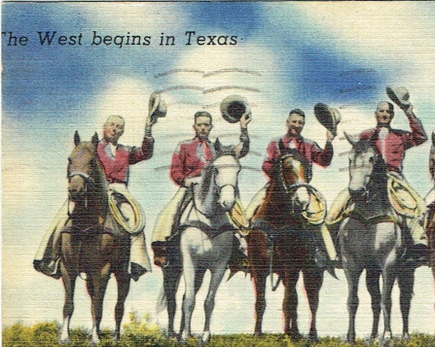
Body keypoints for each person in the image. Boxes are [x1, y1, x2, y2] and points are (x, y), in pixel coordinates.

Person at [34, 114, 155, 281]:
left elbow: (145, 153)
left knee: (134, 220)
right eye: (112, 125)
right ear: (104, 127)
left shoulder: (126, 151)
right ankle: (50, 257)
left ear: (122, 131)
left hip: (119, 191)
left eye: (119, 127)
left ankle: (136, 261)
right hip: (94, 191)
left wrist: (148, 130)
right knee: (63, 216)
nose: (114, 129)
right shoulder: (94, 147)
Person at [327, 91, 429, 265]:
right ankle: (332, 250)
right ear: (376, 114)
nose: (384, 114)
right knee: (337, 208)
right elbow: (357, 152)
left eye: (388, 112)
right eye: (381, 111)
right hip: (368, 179)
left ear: (392, 115)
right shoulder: (366, 136)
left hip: (393, 178)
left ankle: (418, 245)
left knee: (417, 206)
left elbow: (421, 137)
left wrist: (408, 111)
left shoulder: (400, 136)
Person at [151, 110, 250, 267]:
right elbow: (175, 171)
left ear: (211, 127)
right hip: (191, 186)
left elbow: (241, 151)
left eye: (206, 125)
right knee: (170, 210)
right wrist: (185, 181)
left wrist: (243, 128)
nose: (203, 128)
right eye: (200, 125)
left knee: (237, 210)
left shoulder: (218, 149)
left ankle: (240, 249)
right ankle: (163, 247)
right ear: (194, 127)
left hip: (213, 188)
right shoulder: (184, 146)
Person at [251, 108, 337, 271]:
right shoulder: (275, 143)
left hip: (301, 188)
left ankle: (326, 254)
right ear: (287, 122)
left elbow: (324, 161)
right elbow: (266, 164)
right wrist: (280, 176)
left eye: (300, 123)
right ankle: (246, 249)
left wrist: (329, 142)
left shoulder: (309, 144)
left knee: (318, 216)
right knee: (250, 212)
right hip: (276, 187)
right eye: (294, 121)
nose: (297, 125)